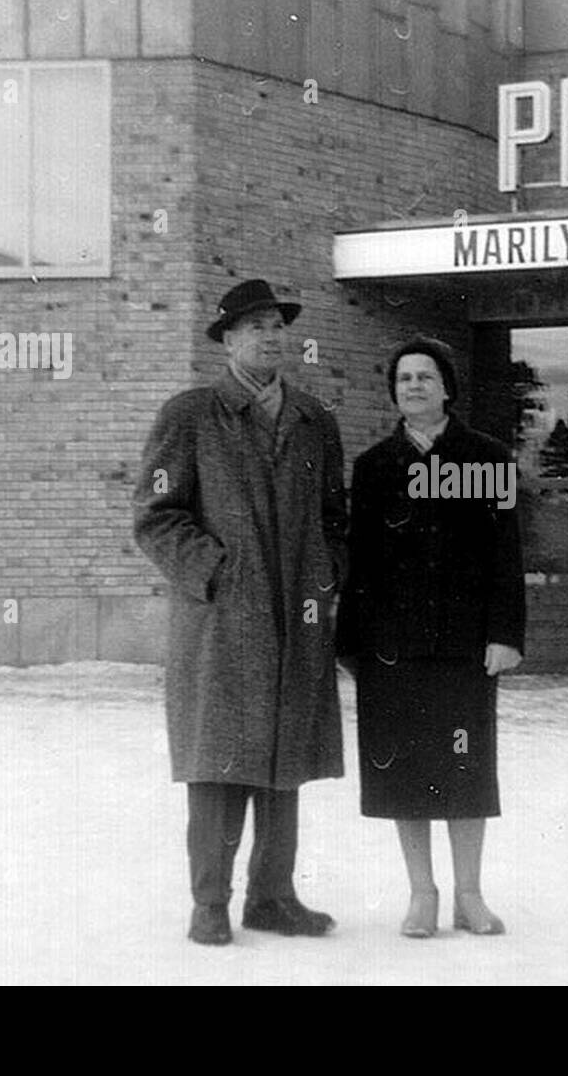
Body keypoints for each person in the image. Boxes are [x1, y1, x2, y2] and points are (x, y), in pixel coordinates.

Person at [133, 279, 347, 946]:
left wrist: (327, 572)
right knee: (219, 761)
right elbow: (155, 517)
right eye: (254, 326)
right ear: (227, 340)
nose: (270, 335)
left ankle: (273, 897)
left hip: (298, 616)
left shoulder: (316, 421)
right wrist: (218, 573)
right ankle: (209, 903)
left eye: (277, 324)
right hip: (223, 623)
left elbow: (336, 519)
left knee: (286, 760)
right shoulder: (190, 415)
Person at [336, 336, 526, 939]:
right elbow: (358, 562)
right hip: (392, 648)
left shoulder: (486, 458)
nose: (413, 386)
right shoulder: (372, 468)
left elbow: (506, 554)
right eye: (403, 379)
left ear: (447, 387)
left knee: (466, 767)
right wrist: (349, 643)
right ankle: (422, 893)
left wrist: (505, 632)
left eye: (425, 377)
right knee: (406, 771)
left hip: (465, 646)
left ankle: (470, 894)